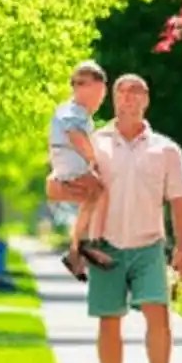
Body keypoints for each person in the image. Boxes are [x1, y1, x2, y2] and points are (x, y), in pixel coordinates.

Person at [46, 73, 182, 363]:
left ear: (146, 99)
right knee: (109, 320)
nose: (129, 96)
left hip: (149, 243)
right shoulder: (93, 143)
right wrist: (70, 192)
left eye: (136, 91)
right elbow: (56, 184)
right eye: (122, 91)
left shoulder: (166, 149)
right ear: (113, 100)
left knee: (159, 315)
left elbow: (180, 201)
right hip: (105, 244)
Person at [49, 60, 112, 279]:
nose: (100, 99)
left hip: (70, 162)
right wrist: (94, 160)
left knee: (94, 197)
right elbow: (75, 135)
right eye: (75, 83)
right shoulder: (72, 111)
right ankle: (85, 244)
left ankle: (77, 248)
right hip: (70, 162)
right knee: (100, 190)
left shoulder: (82, 113)